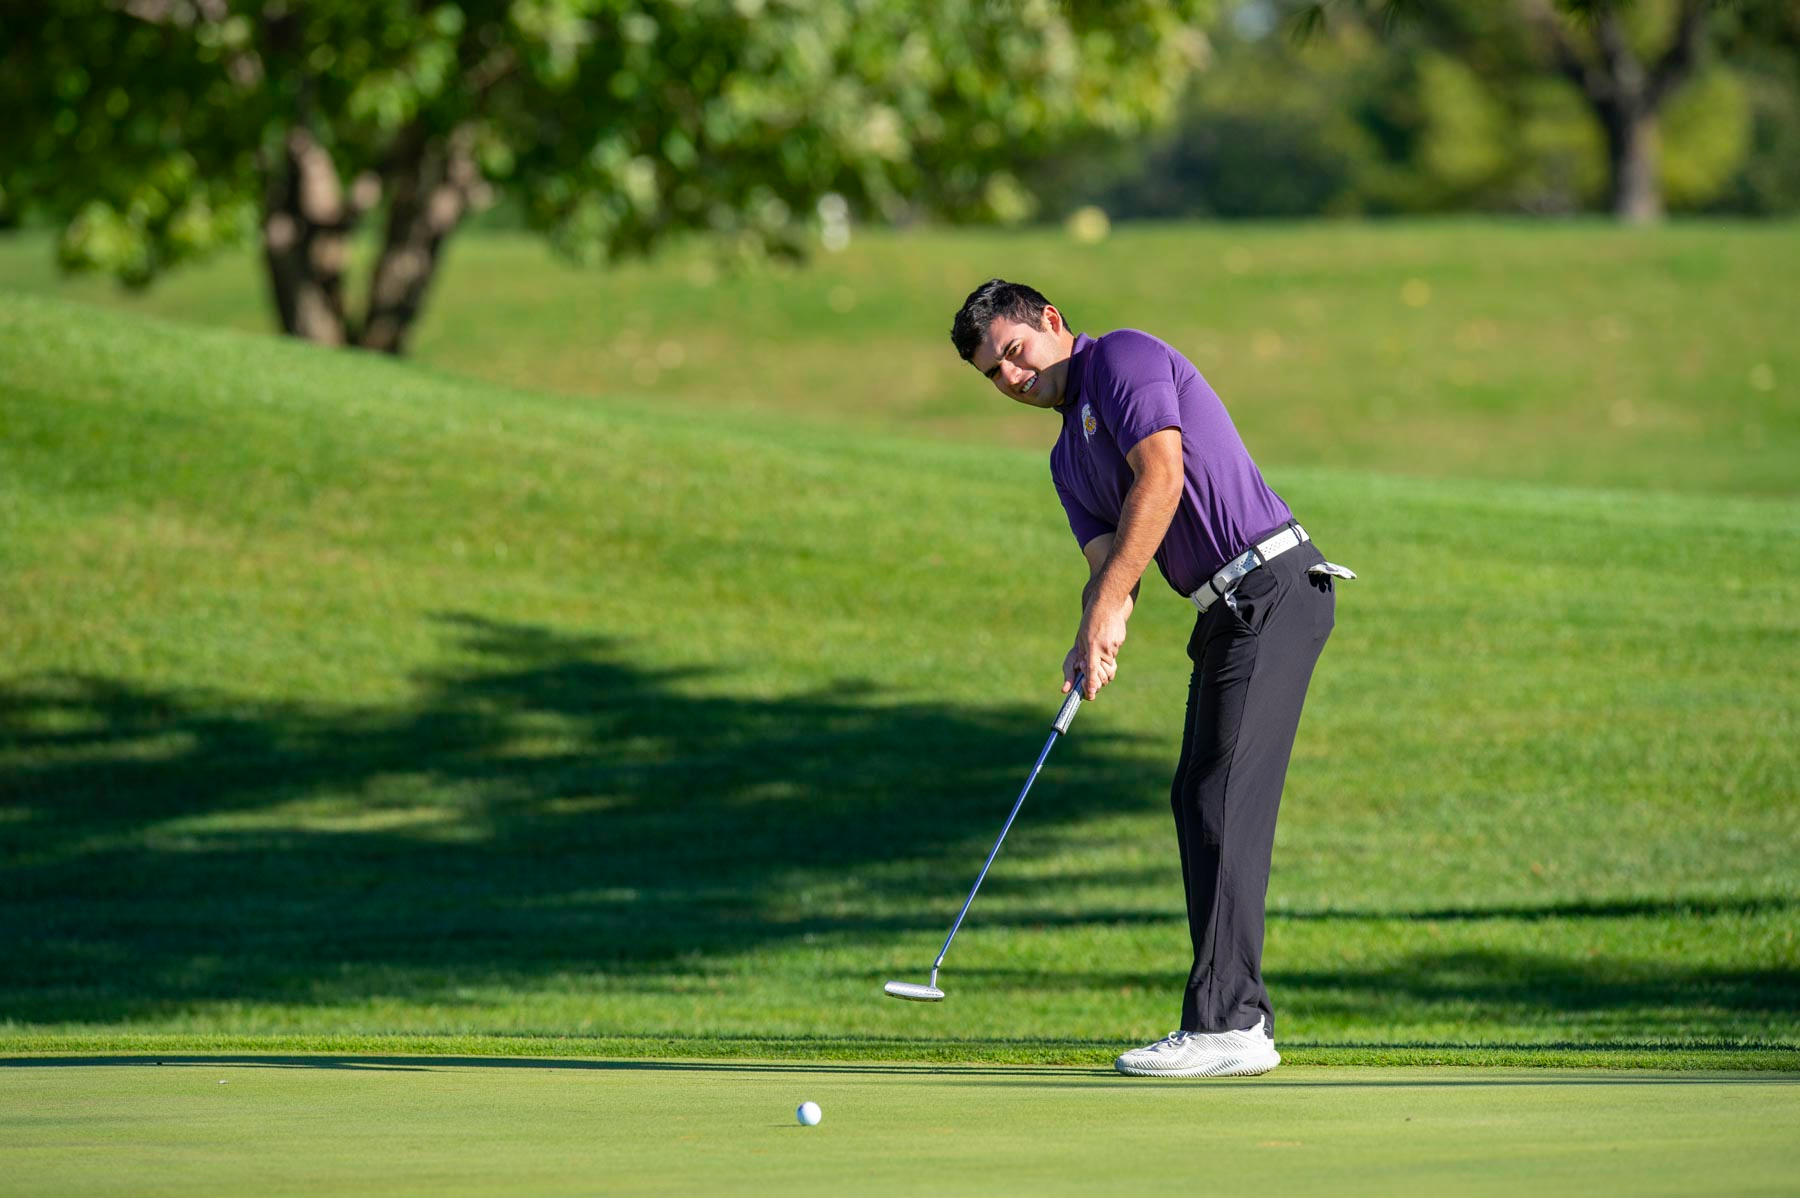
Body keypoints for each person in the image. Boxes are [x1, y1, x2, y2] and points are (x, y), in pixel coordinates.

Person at [949, 279, 1351, 1078]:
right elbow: (1113, 572)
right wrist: (1094, 633)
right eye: (994, 374)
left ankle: (1229, 1025)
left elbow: (1161, 477)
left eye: (1016, 353)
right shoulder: (1068, 460)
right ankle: (1236, 1020)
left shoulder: (1124, 358)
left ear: (1052, 323)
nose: (1013, 379)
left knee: (1218, 795)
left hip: (1272, 586)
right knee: (1195, 796)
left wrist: (1105, 606)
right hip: (1225, 612)